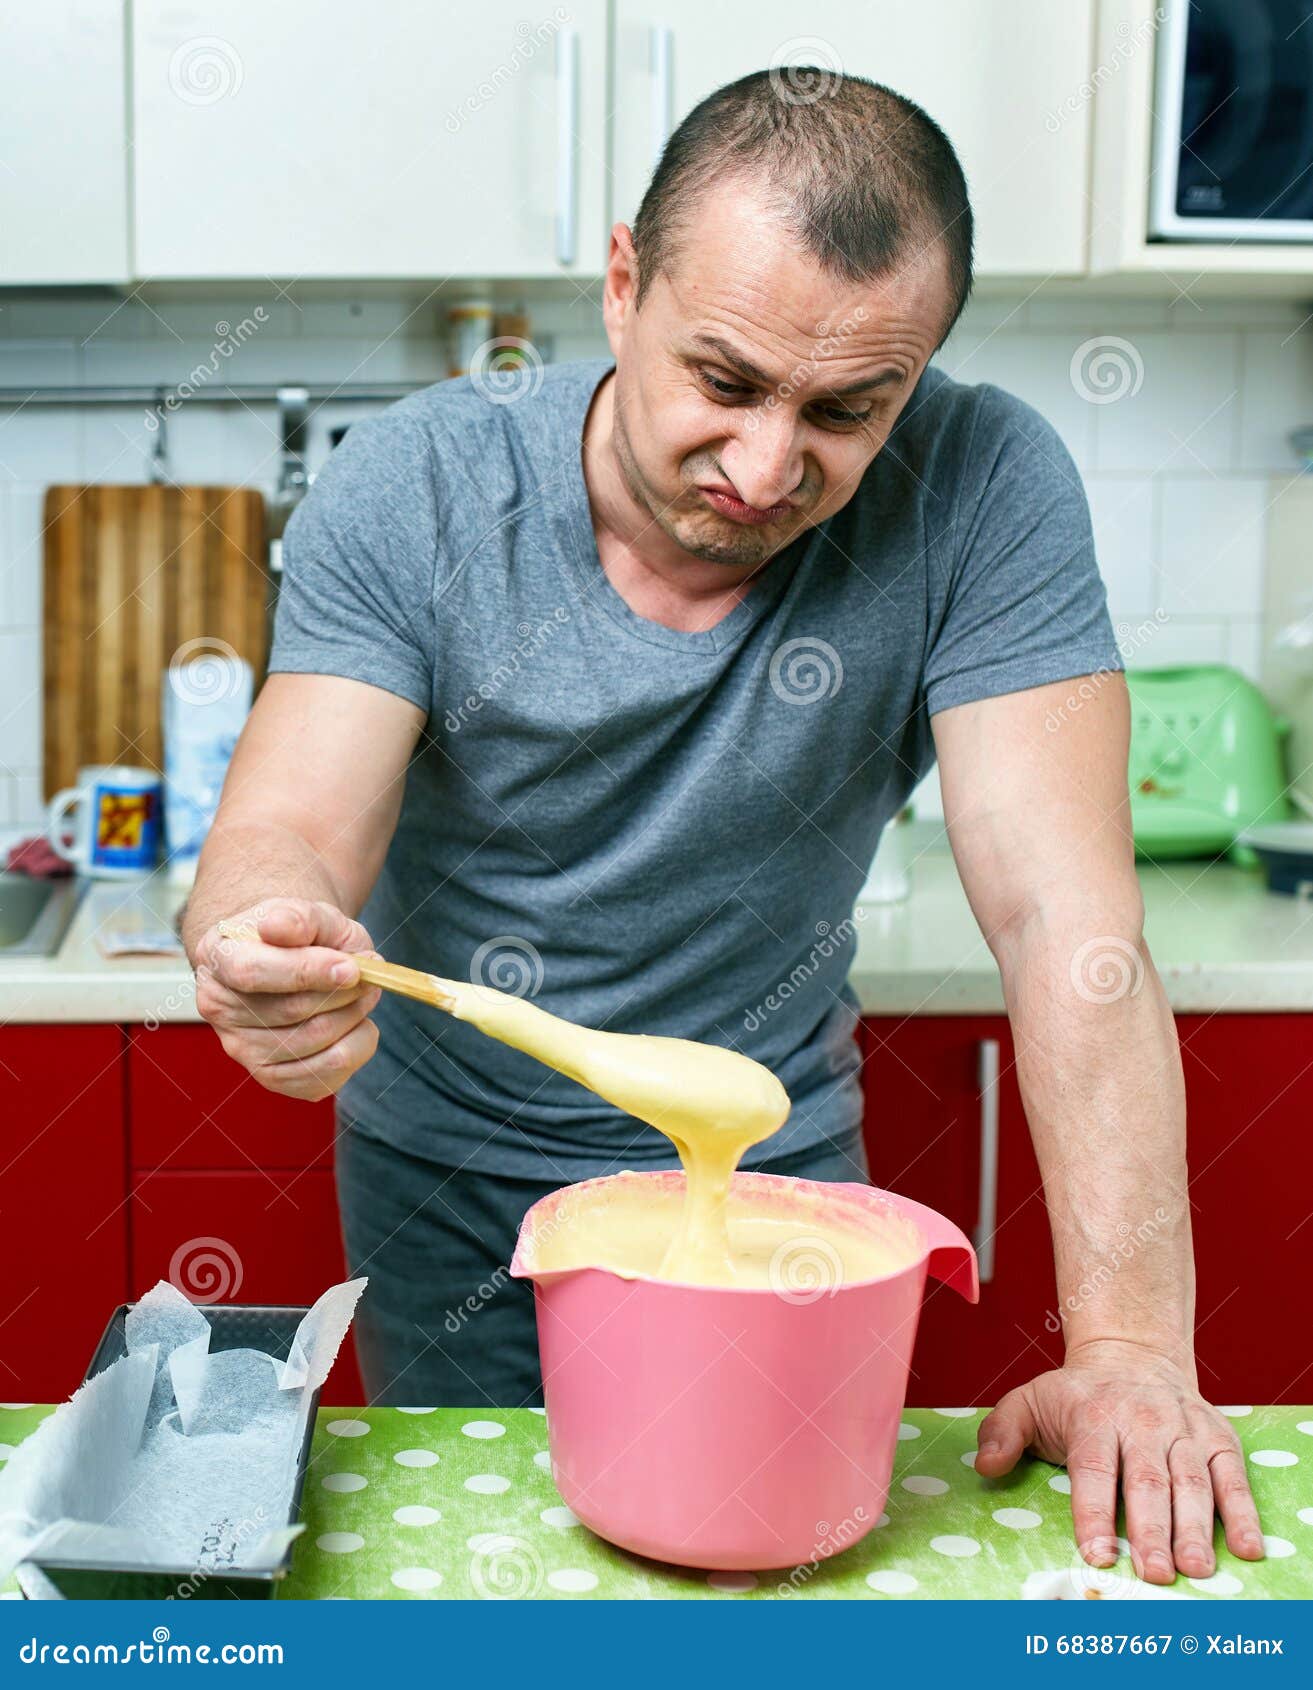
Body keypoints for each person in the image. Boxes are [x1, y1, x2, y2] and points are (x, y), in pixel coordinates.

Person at [183, 69, 1263, 1584]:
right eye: (727, 380)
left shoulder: (982, 486)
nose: (764, 470)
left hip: (775, 1196)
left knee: (774, 1583)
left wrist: (1138, 1343)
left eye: (845, 411)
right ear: (623, 284)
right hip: (451, 1196)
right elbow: (292, 823)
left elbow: (1065, 922)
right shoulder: (422, 479)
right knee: (497, 1603)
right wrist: (263, 935)